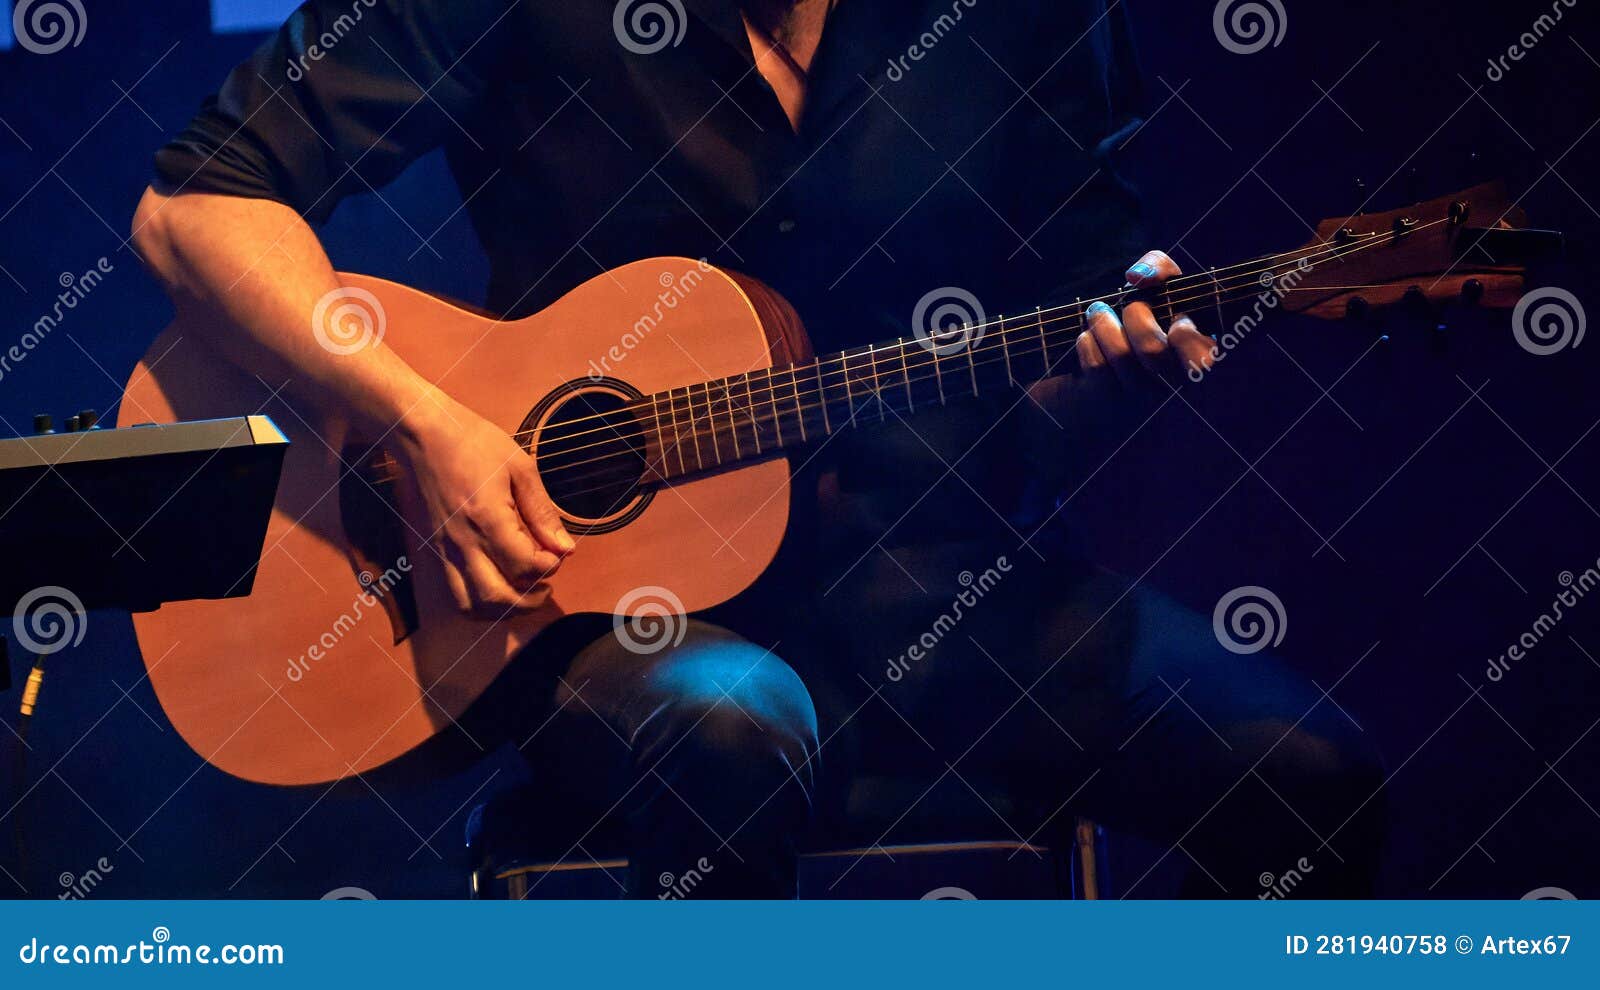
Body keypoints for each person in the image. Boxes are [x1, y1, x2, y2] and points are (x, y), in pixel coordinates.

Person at [131, 0, 1384, 897]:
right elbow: (195, 206)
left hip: (942, 586)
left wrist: (1114, 367)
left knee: (1307, 771)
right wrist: (417, 420)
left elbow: (1066, 340)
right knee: (733, 732)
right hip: (581, 605)